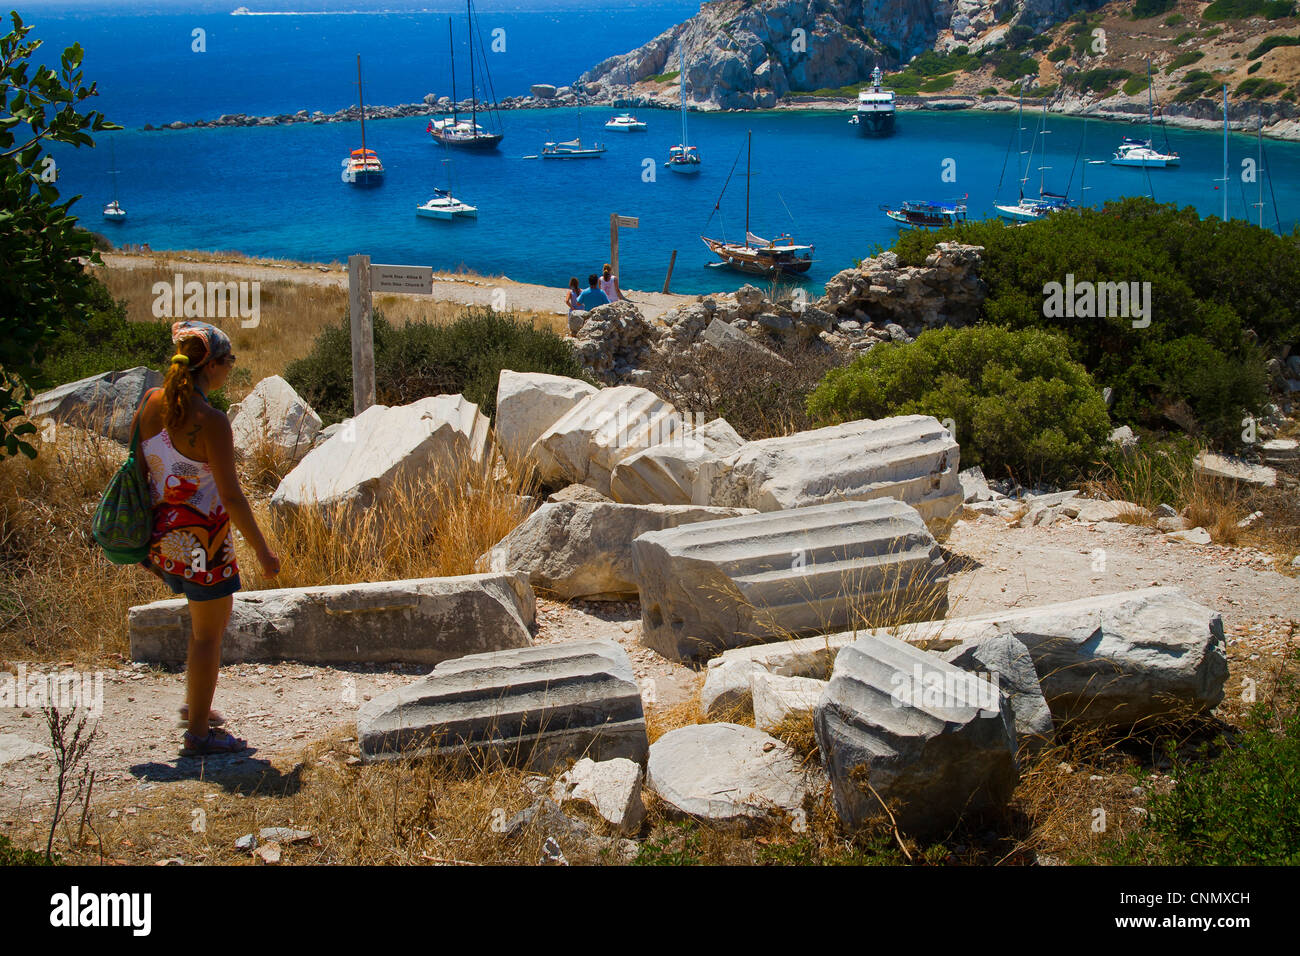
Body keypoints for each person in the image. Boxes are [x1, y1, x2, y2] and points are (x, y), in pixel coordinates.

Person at [133, 320, 280, 757]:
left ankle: (198, 705)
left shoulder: (150, 403)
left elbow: (139, 469)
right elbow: (232, 497)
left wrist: (151, 532)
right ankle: (198, 733)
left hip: (163, 539)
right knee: (206, 636)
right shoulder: (211, 422)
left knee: (202, 629)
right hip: (205, 545)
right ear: (212, 365)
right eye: (229, 362)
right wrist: (263, 551)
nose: (230, 369)